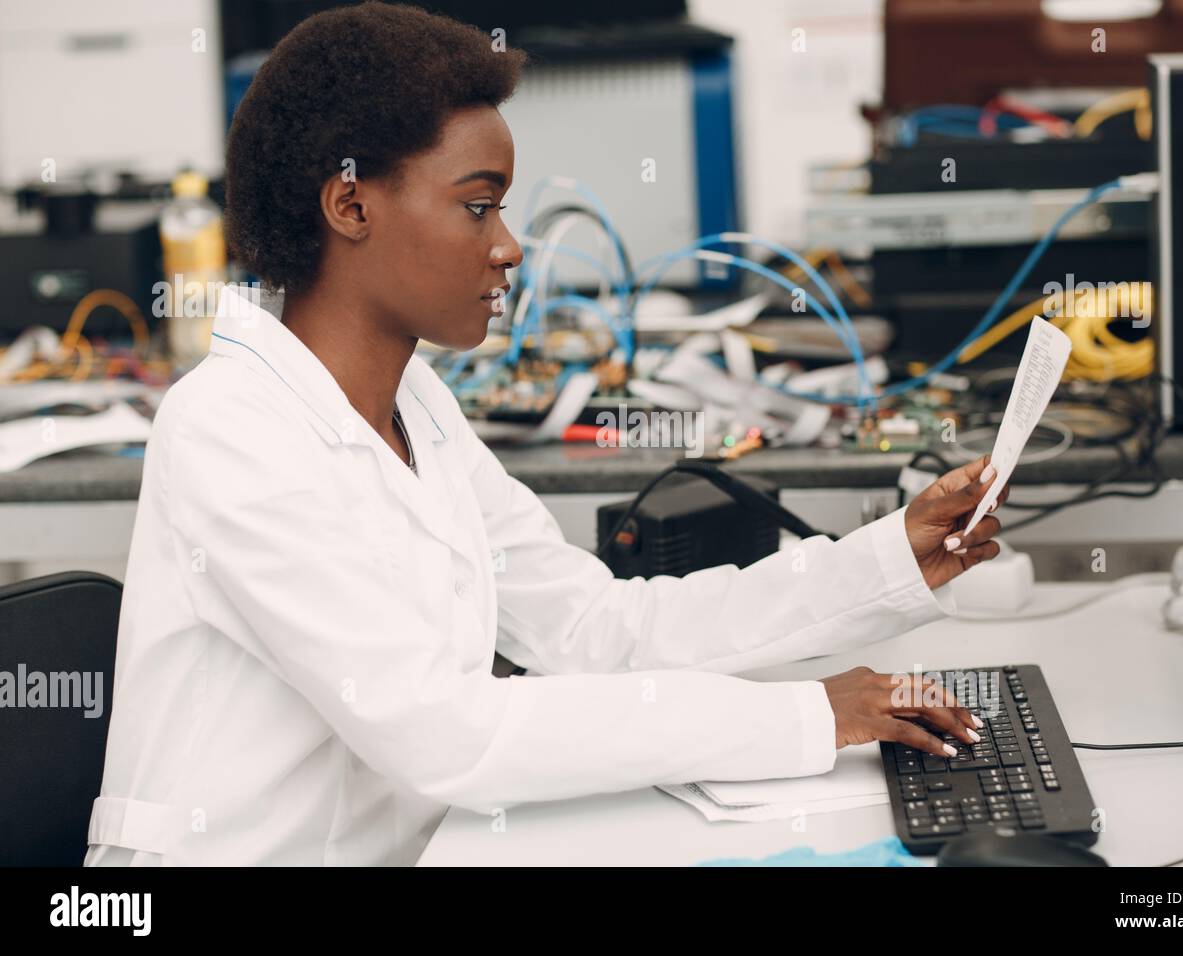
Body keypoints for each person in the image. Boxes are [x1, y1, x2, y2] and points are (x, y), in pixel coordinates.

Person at [86, 3, 1006, 866]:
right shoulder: (231, 430)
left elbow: (594, 627)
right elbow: (447, 734)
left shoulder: (414, 401)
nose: (509, 245)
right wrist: (808, 719)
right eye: (478, 205)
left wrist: (885, 564)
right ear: (352, 207)